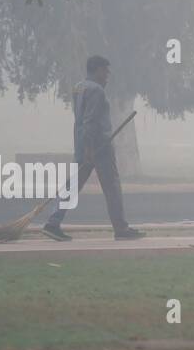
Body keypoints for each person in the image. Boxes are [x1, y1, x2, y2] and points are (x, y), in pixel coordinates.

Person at [42, 55, 145, 241]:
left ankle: (53, 222)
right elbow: (90, 121)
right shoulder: (97, 90)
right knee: (112, 187)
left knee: (72, 186)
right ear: (96, 69)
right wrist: (91, 148)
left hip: (82, 144)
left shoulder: (79, 87)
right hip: (99, 146)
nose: (108, 75)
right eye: (105, 70)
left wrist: (84, 147)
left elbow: (81, 119)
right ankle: (121, 228)